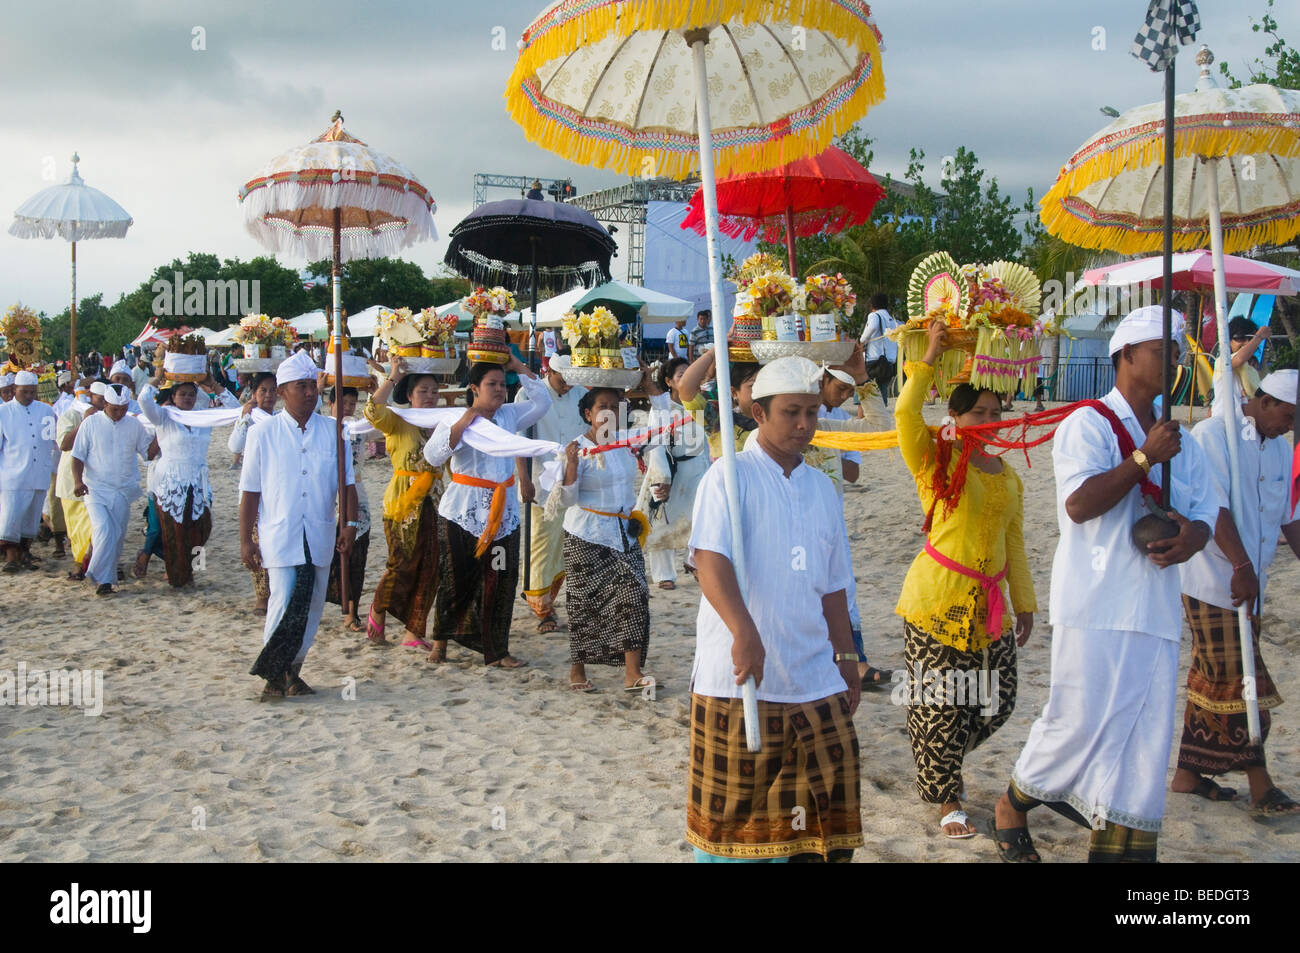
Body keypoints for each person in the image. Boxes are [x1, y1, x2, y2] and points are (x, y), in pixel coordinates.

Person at [997, 305, 1219, 863]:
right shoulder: (1087, 423)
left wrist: (1192, 537)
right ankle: (1013, 802)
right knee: (1075, 719)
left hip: (1155, 602)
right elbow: (1079, 504)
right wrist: (1145, 457)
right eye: (1162, 350)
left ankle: (1120, 855)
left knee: (1145, 735)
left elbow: (1203, 510)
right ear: (1125, 355)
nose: (1172, 362)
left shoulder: (1179, 436)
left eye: (1176, 352)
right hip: (1095, 600)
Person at [687, 355, 863, 862]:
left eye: (811, 412)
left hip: (813, 675)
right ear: (758, 414)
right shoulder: (728, 477)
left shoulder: (822, 489)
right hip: (739, 675)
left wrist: (847, 658)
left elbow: (833, 586)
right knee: (736, 830)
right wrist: (744, 631)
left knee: (828, 816)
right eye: (791, 412)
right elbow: (708, 560)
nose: (805, 424)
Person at [890, 322, 1036, 839]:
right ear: (954, 417)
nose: (991, 422)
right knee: (942, 703)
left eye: (997, 414)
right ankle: (947, 795)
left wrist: (1026, 604)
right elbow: (905, 413)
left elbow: (1014, 542)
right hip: (935, 600)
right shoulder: (937, 460)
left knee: (999, 700)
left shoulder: (1008, 473)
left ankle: (936, 760)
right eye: (979, 413)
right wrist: (928, 354)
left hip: (989, 606)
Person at [1173, 369, 1300, 816]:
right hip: (1213, 578)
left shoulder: (1282, 450)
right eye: (1287, 415)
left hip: (1252, 583)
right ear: (1264, 402)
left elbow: (1289, 516)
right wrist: (1241, 565)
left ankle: (1189, 773)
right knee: (1243, 677)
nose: (1290, 425)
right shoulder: (1213, 434)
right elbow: (1214, 507)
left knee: (1214, 675)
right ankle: (1260, 782)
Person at [239, 350, 358, 699]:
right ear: (281, 392)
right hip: (280, 534)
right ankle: (274, 676)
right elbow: (250, 492)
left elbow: (347, 484)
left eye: (313, 386)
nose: (310, 393)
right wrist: (247, 540)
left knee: (313, 606)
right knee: (283, 601)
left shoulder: (334, 431)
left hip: (320, 532)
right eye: (301, 386)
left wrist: (349, 524)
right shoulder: (263, 434)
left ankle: (293, 671)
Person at [423, 356, 550, 667]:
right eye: (491, 385)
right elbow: (432, 457)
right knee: (455, 578)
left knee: (500, 580)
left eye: (501, 385)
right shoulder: (456, 418)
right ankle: (440, 642)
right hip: (461, 513)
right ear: (474, 389)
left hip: (504, 514)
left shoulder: (509, 416)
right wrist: (462, 424)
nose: (499, 391)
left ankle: (496, 651)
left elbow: (542, 401)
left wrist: (518, 367)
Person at [558, 387, 655, 693]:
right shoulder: (576, 448)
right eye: (602, 407)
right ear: (588, 414)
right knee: (584, 603)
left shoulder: (625, 444)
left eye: (615, 406)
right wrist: (571, 465)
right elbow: (567, 499)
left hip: (623, 532)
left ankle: (632, 672)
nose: (609, 413)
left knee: (634, 597)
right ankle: (578, 669)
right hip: (585, 532)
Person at [363, 358, 446, 647]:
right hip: (402, 502)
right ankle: (378, 609)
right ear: (409, 395)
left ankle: (414, 631)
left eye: (434, 391)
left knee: (432, 566)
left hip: (435, 501)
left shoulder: (442, 425)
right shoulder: (399, 421)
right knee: (401, 563)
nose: (430, 396)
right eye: (423, 391)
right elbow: (372, 409)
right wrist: (394, 376)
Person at [136, 354, 239, 587]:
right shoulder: (164, 416)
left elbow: (236, 410)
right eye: (182, 394)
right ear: (173, 396)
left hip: (198, 480)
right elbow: (143, 401)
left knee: (201, 529)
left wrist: (213, 384)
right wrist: (158, 377)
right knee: (173, 531)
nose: (188, 398)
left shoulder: (203, 418)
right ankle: (179, 576)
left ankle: (191, 569)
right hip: (170, 481)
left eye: (191, 394)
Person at [514, 360, 586, 632]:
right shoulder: (530, 394)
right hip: (540, 479)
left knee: (566, 545)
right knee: (541, 545)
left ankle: (549, 598)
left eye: (571, 378)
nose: (566, 383)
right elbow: (521, 440)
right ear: (549, 372)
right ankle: (541, 607)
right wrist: (523, 478)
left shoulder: (580, 393)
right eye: (561, 378)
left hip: (573, 479)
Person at [71, 383, 156, 596]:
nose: (119, 413)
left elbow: (147, 453)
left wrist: (163, 434)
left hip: (122, 490)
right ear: (105, 404)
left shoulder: (134, 425)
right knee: (104, 531)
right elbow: (77, 456)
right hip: (95, 489)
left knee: (116, 536)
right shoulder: (90, 423)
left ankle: (105, 581)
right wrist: (77, 482)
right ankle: (97, 576)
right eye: (114, 409)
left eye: (123, 409)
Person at [639, 357, 709, 590]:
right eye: (681, 375)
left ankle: (696, 563)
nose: (688, 378)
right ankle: (664, 574)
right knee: (662, 521)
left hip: (696, 469)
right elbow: (656, 445)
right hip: (669, 470)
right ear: (668, 381)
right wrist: (662, 479)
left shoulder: (697, 404)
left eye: (691, 374)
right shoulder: (661, 409)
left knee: (699, 518)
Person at [0, 371, 60, 572]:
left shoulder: (46, 411)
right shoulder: (3, 412)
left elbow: (53, 442)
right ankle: (11, 558)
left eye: (32, 392)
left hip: (38, 474)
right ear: (14, 390)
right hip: (12, 476)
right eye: (24, 392)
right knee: (10, 519)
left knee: (32, 520)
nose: (28, 396)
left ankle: (24, 554)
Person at [228, 373, 278, 610]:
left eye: (272, 390)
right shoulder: (249, 419)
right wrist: (244, 418)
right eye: (263, 391)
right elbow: (234, 446)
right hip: (254, 491)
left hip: (277, 490)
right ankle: (261, 596)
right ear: (254, 393)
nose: (268, 396)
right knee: (256, 545)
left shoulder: (282, 419)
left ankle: (276, 593)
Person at [325, 385, 373, 633]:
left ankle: (351, 612)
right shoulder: (321, 428)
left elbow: (380, 418)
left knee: (356, 556)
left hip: (357, 494)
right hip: (326, 496)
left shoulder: (358, 429)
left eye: (353, 403)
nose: (349, 407)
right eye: (343, 402)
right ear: (331, 402)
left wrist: (378, 391)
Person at [56, 383, 105, 581]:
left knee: (100, 527)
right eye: (99, 400)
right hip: (71, 481)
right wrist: (85, 422)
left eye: (105, 400)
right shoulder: (71, 414)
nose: (103, 404)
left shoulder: (110, 418)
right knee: (77, 529)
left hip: (99, 481)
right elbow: (64, 444)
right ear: (90, 397)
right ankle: (79, 565)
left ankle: (99, 564)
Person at [858, 292, 899, 404]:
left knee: (867, 389)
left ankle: (867, 414)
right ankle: (883, 410)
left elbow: (871, 328)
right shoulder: (891, 319)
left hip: (875, 359)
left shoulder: (874, 316)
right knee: (883, 388)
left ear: (872, 304)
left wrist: (861, 342)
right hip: (889, 360)